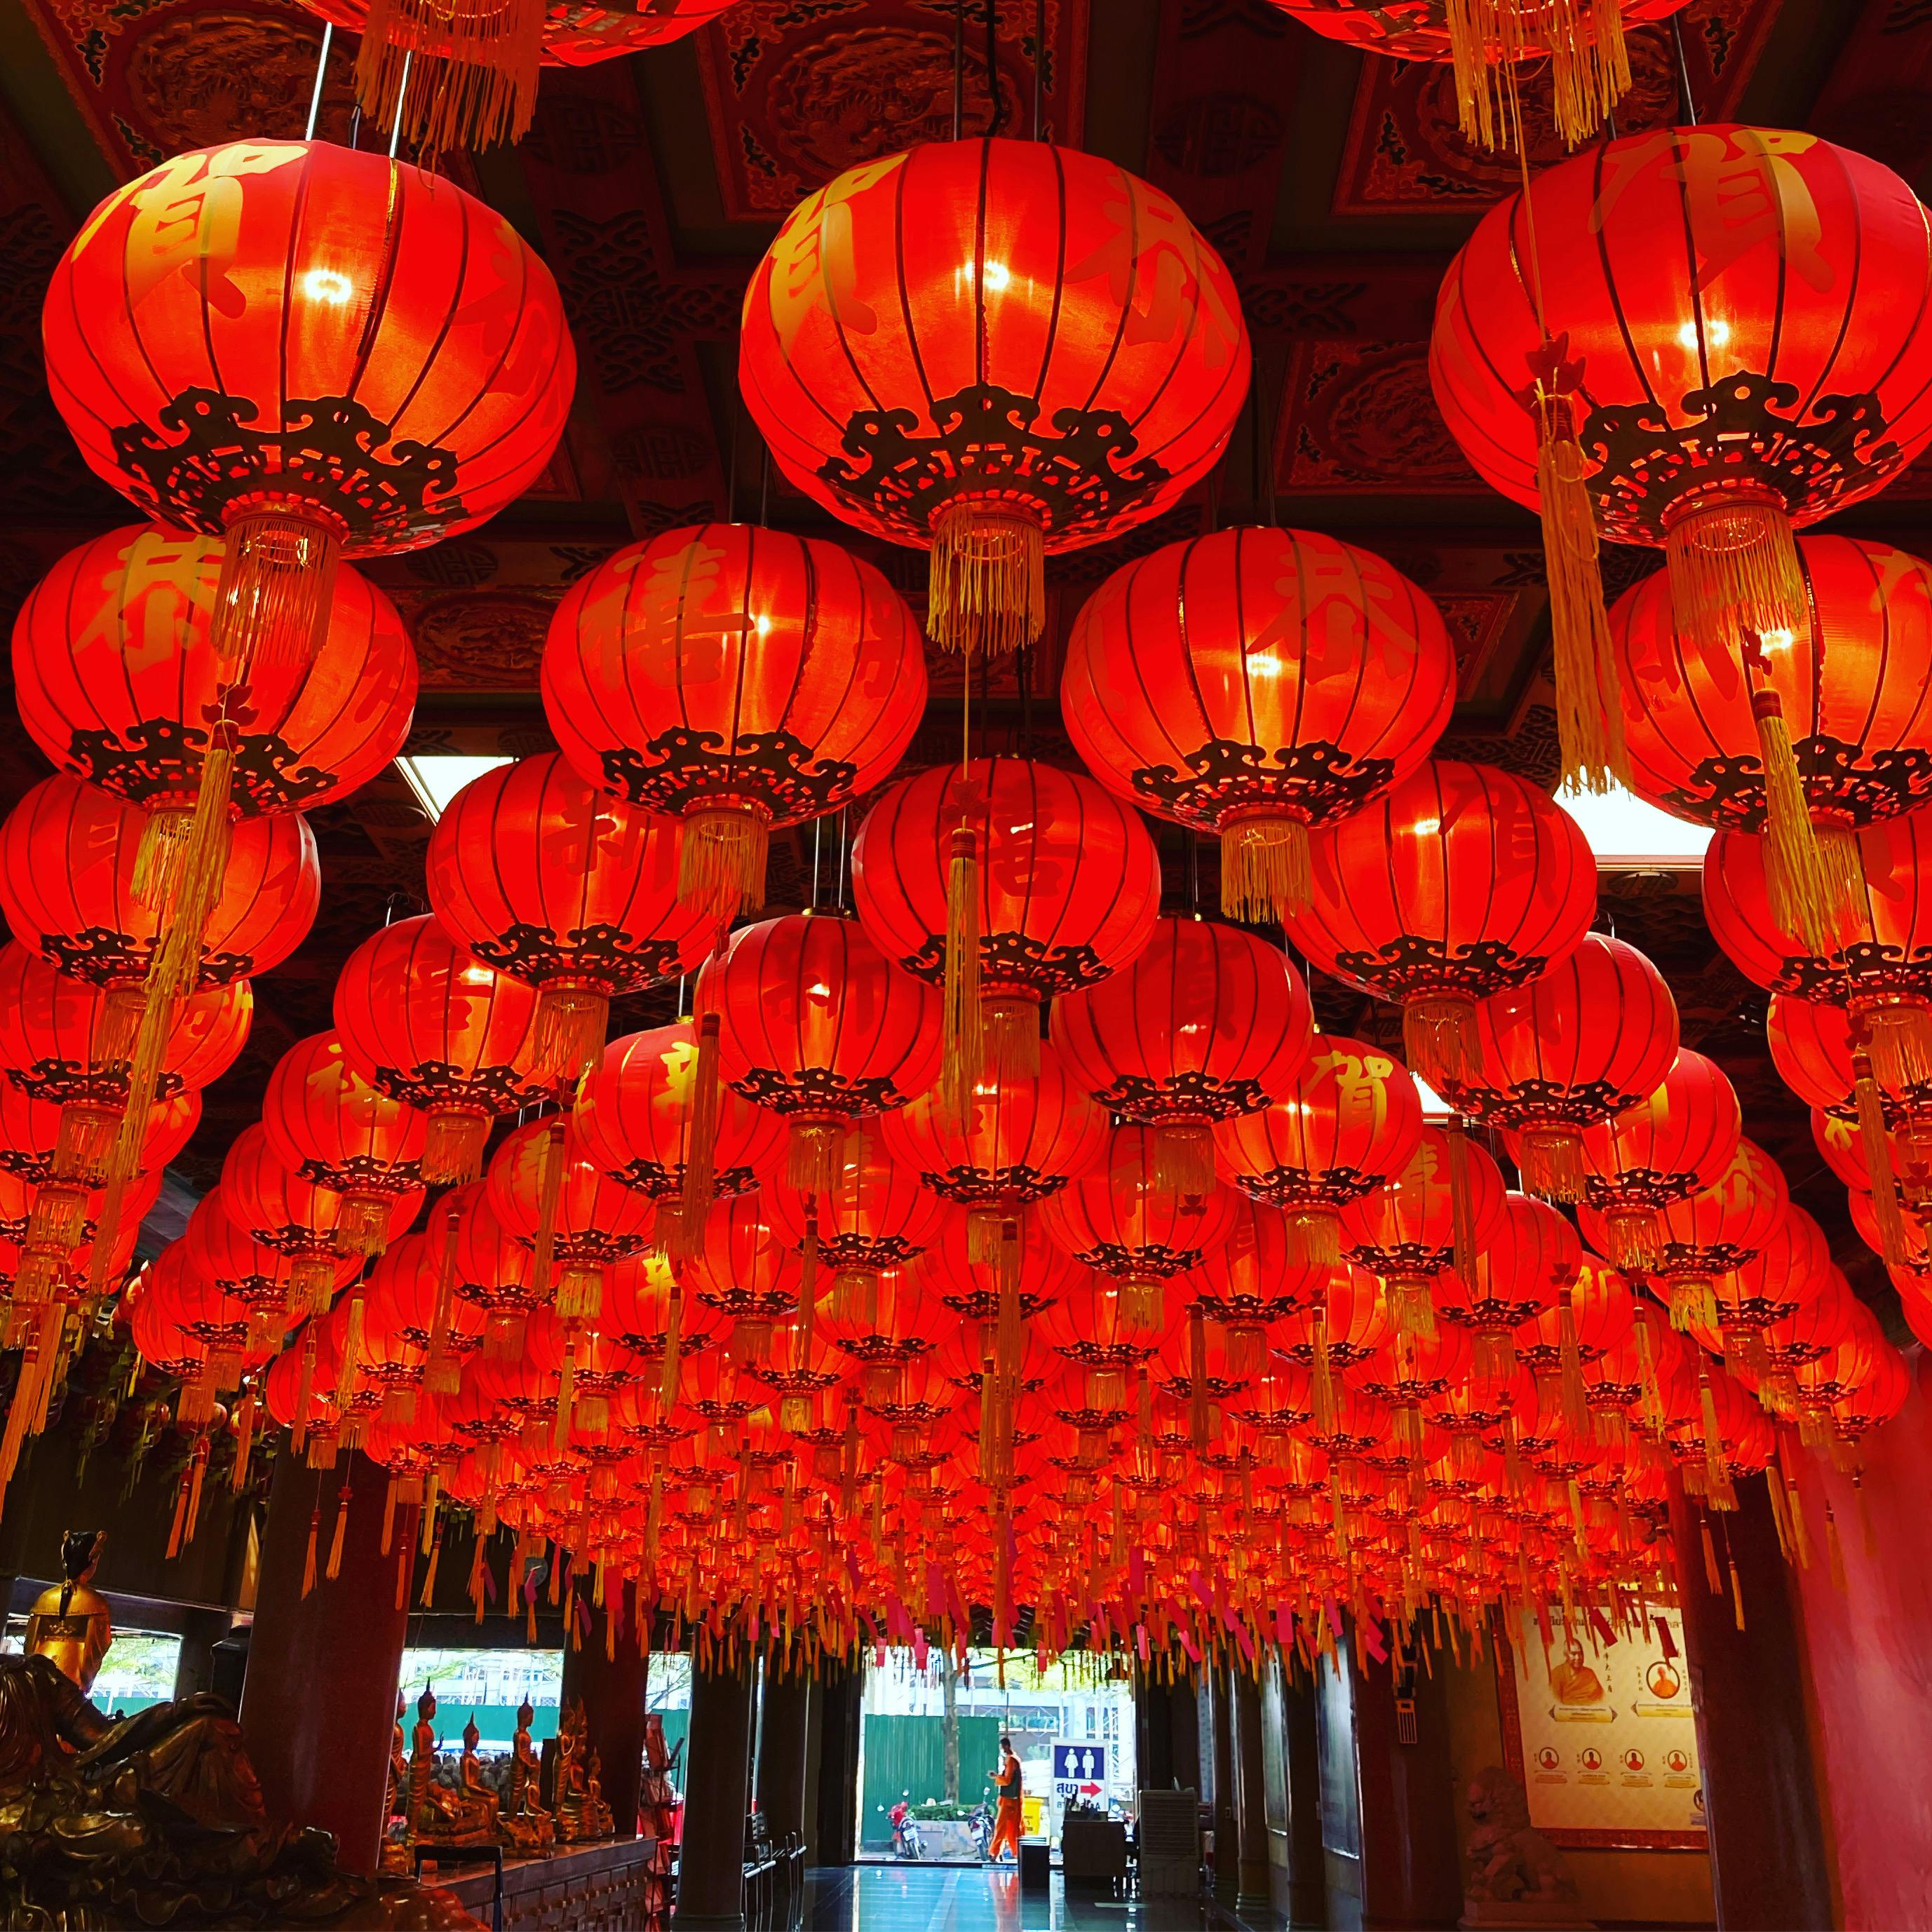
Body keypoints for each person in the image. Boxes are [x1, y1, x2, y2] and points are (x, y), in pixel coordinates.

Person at [987, 1736, 1023, 1864]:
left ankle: (994, 1853)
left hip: (1009, 1801)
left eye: (1002, 1748)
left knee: (1002, 1828)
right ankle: (1018, 1853)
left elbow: (1007, 1780)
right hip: (1013, 1800)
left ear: (1006, 1747)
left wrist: (996, 1777)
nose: (1002, 1750)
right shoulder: (1015, 1759)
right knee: (1013, 1829)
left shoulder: (1011, 1760)